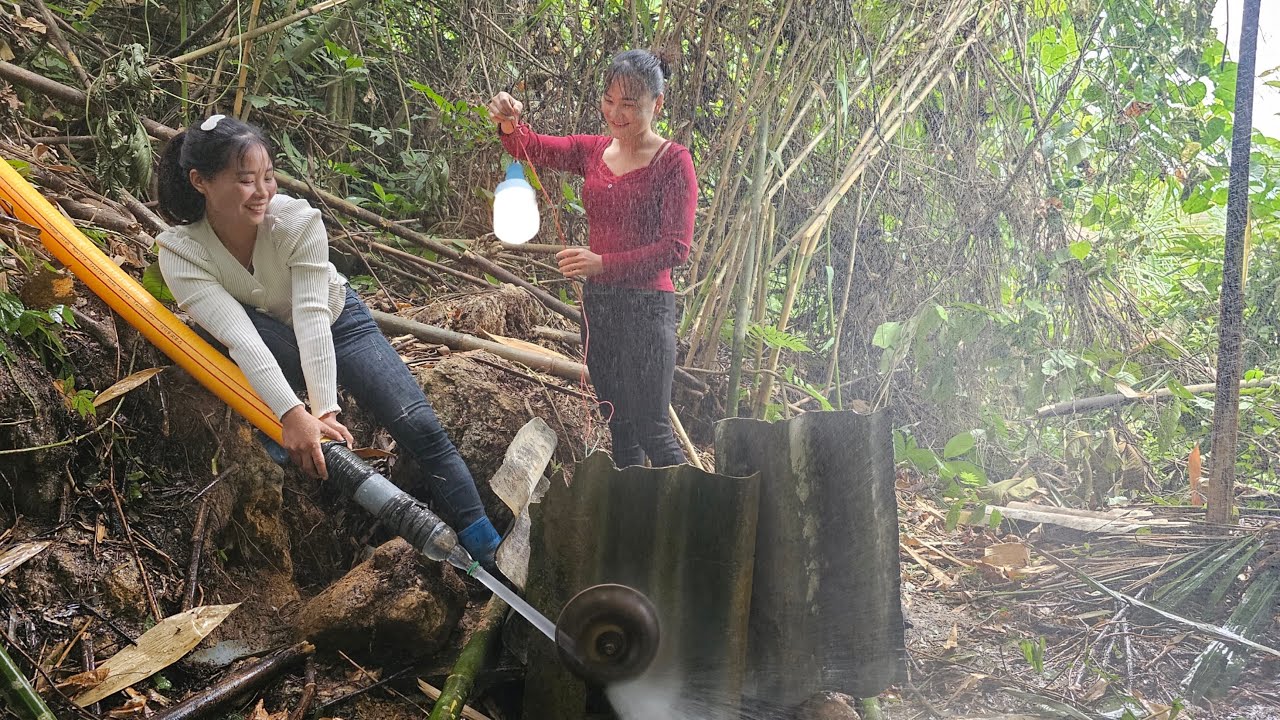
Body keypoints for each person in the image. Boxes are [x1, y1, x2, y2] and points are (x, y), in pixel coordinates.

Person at [154, 114, 503, 569]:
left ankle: (486, 550)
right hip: (269, 339)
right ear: (201, 181)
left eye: (267, 177)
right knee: (217, 334)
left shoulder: (296, 222)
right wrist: (289, 414)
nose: (262, 191)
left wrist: (323, 411)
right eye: (245, 180)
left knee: (419, 425)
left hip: (339, 320)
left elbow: (313, 316)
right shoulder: (181, 252)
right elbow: (242, 339)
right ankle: (269, 426)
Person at [487, 49, 695, 468]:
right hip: (599, 306)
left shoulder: (674, 162)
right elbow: (532, 147)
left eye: (629, 104)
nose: (615, 113)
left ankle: (697, 510)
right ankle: (633, 509)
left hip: (647, 308)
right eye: (609, 100)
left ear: (657, 104)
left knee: (653, 429)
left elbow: (676, 249)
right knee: (619, 425)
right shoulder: (593, 151)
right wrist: (509, 120)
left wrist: (602, 263)